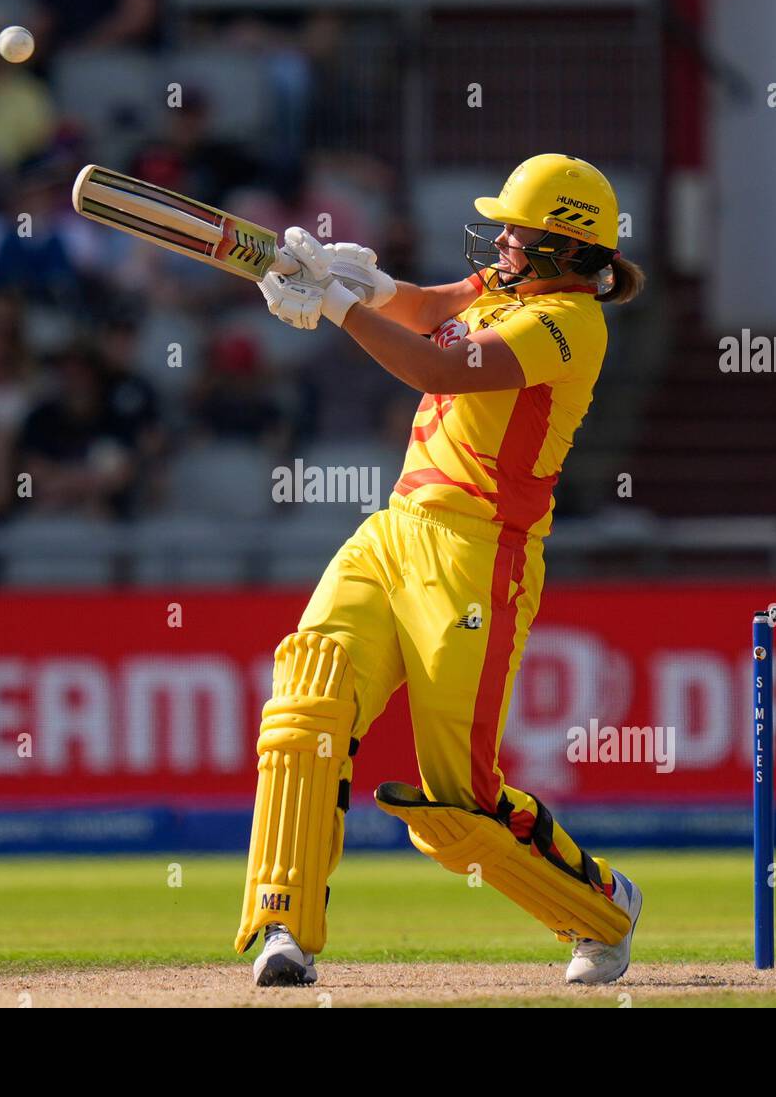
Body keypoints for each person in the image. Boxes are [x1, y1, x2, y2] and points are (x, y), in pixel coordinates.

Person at [236, 155, 646, 987]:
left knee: (459, 800)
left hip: (479, 555)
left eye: (517, 231)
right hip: (395, 527)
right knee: (306, 699)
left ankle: (601, 907)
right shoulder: (505, 285)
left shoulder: (569, 323)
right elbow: (428, 314)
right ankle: (285, 928)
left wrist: (343, 309)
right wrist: (357, 275)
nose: (499, 240)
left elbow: (440, 368)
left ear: (567, 250)